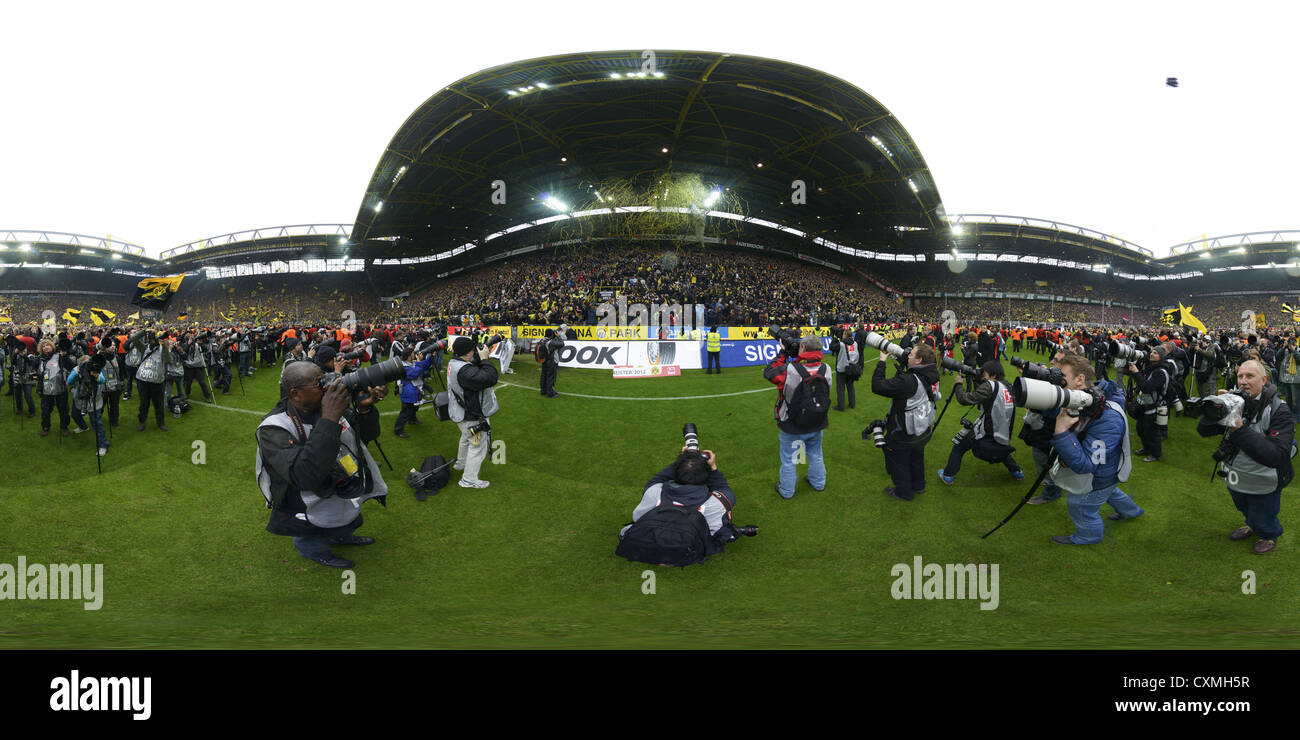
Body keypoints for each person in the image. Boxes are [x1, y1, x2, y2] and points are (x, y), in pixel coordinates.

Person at [256, 361, 390, 568]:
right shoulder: (273, 428)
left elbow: (366, 437)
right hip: (303, 499)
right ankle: (317, 553)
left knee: (350, 516)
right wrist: (329, 418)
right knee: (310, 531)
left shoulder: (328, 407)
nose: (328, 385)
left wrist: (364, 410)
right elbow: (304, 476)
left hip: (341, 483)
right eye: (319, 383)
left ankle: (342, 537)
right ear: (295, 394)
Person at [1197, 359, 1295, 554]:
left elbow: (1276, 456)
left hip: (1264, 479)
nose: (1243, 381)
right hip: (1236, 474)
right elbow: (1203, 431)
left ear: (1263, 380)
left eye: (1249, 376)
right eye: (1240, 376)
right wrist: (1217, 410)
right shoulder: (1236, 400)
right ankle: (1252, 524)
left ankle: (1268, 534)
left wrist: (1239, 428)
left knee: (1264, 512)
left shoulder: (1279, 410)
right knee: (1242, 505)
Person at [1048, 353, 1143, 545]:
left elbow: (1086, 465)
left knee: (1080, 506)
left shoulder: (1107, 417)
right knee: (1112, 493)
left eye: (1062, 377)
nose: (1058, 381)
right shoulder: (1084, 400)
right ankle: (1132, 511)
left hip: (1099, 477)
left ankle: (1087, 536)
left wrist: (1061, 432)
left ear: (1080, 379)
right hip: (1109, 474)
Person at [618, 448, 751, 561]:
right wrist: (713, 468)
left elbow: (657, 479)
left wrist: (682, 462)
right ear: (707, 476)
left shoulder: (654, 492)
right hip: (693, 549)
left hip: (648, 540)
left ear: (676, 473)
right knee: (723, 529)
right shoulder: (717, 503)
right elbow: (723, 488)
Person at [871, 342, 940, 501]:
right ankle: (919, 485)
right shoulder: (931, 375)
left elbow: (877, 386)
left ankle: (904, 493)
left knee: (899, 462)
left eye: (911, 354)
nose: (907, 354)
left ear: (919, 360)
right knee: (917, 457)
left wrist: (882, 362)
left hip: (904, 432)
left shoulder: (909, 380)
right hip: (922, 429)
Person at [764, 335, 830, 499]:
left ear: (803, 348)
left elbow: (769, 372)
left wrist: (782, 353)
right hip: (817, 419)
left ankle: (787, 490)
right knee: (816, 454)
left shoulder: (790, 370)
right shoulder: (826, 368)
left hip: (792, 423)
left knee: (789, 459)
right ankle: (818, 482)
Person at [938, 360, 1025, 484]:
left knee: (959, 447)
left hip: (986, 429)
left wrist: (958, 384)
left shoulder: (990, 386)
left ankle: (947, 475)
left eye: (984, 373)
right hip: (1002, 430)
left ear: (993, 375)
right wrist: (977, 379)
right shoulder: (1008, 386)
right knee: (1000, 447)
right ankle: (1017, 471)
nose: (982, 375)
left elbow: (965, 399)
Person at [447, 335, 500, 488]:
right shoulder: (464, 371)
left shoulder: (454, 362)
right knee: (477, 447)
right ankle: (468, 479)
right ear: (468, 352)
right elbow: (489, 378)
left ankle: (461, 463)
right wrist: (485, 360)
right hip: (472, 416)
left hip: (461, 413)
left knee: (465, 439)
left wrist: (479, 358)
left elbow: (470, 369)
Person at [1125, 343, 1174, 462]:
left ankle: (1156, 454)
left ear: (1161, 357)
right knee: (1141, 429)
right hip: (1145, 404)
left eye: (1155, 353)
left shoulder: (1160, 372)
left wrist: (1136, 372)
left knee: (1151, 432)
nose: (1152, 354)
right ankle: (1147, 448)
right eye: (1152, 352)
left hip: (1154, 406)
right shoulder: (1151, 367)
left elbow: (1147, 387)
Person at [68, 353, 110, 456]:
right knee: (74, 414)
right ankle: (83, 427)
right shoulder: (78, 369)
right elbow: (69, 381)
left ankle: (103, 445)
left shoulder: (96, 369)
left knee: (97, 424)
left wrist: (96, 375)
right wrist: (78, 371)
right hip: (80, 399)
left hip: (93, 400)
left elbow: (103, 381)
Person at [129, 329, 171, 431]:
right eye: (151, 338)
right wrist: (144, 331)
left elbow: (167, 360)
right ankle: (142, 422)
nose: (152, 340)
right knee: (144, 403)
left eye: (153, 338)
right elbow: (134, 338)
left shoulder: (162, 348)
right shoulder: (144, 348)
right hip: (143, 380)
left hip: (157, 382)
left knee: (159, 403)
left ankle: (160, 423)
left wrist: (164, 345)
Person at [37, 339, 76, 437]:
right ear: (41, 349)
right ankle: (45, 427)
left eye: (48, 345)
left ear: (52, 346)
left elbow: (71, 366)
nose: (46, 347)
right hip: (46, 389)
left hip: (60, 388)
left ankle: (64, 427)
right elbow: (38, 373)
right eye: (43, 346)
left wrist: (65, 356)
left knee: (63, 410)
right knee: (45, 410)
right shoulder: (39, 359)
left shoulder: (59, 356)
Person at [394, 347, 434, 438]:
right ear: (408, 357)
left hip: (414, 391)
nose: (415, 355)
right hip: (407, 392)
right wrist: (419, 361)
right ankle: (398, 430)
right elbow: (414, 373)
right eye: (413, 354)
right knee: (405, 412)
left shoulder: (412, 363)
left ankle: (412, 419)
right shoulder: (403, 367)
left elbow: (424, 365)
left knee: (414, 407)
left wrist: (431, 357)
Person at [828, 326, 862, 411]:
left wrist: (834, 339)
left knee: (840, 388)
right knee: (850, 386)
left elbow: (831, 348)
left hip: (842, 368)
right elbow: (857, 355)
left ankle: (841, 406)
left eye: (843, 333)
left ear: (845, 335)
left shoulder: (841, 344)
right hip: (851, 368)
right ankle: (852, 404)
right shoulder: (855, 343)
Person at [537, 328, 564, 398]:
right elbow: (562, 344)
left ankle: (543, 390)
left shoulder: (542, 340)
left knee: (544, 375)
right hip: (551, 361)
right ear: (551, 335)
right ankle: (550, 393)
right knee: (551, 377)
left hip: (544, 360)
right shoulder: (550, 342)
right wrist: (558, 336)